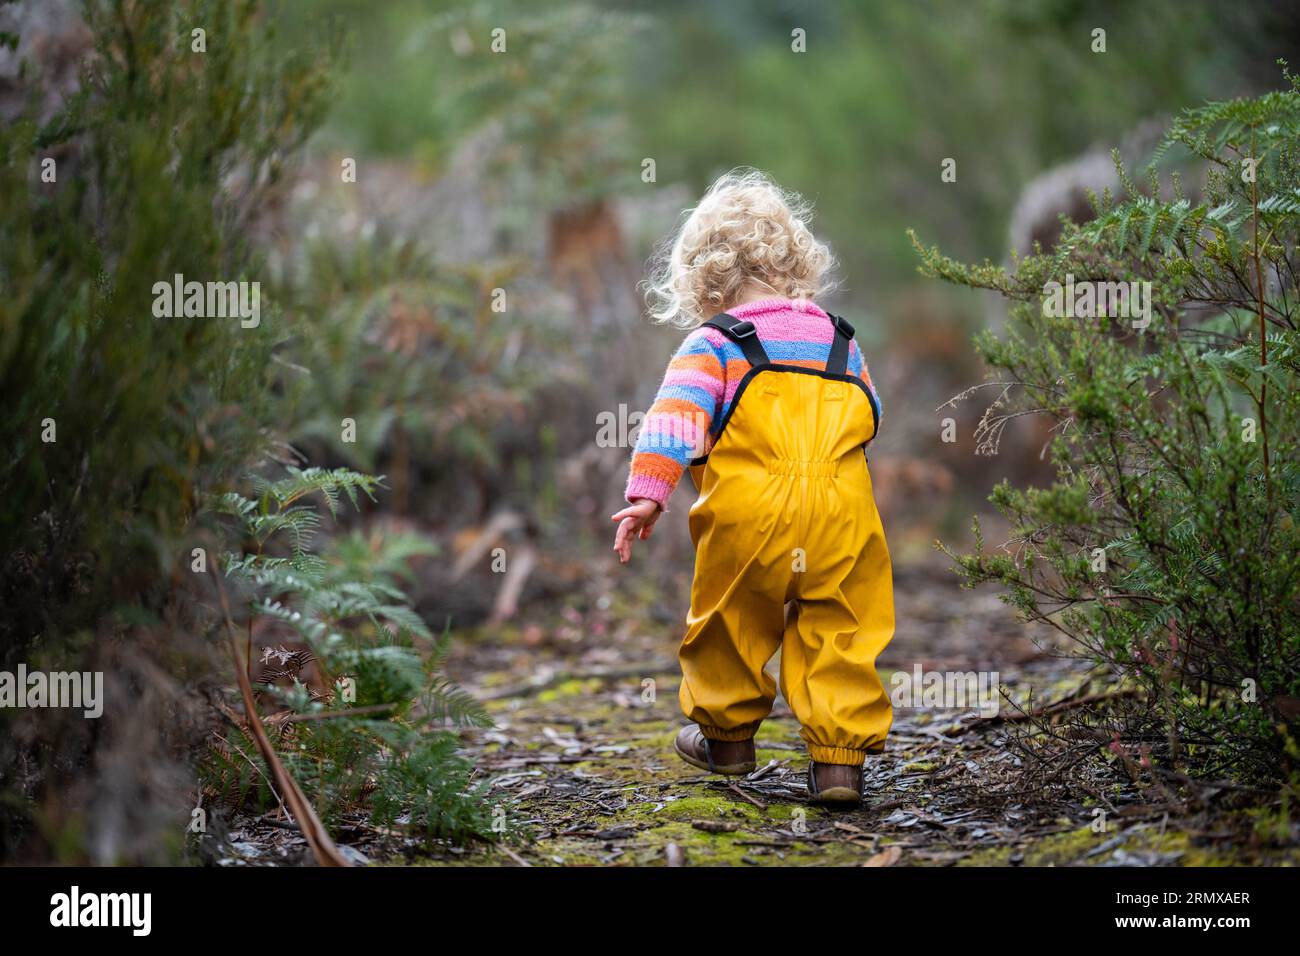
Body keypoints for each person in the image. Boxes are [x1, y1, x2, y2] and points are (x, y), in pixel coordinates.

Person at [611, 169, 895, 806]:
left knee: (731, 617)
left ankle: (728, 740)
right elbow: (871, 414)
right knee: (842, 626)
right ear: (795, 261)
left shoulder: (714, 343)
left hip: (750, 518)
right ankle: (839, 765)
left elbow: (672, 421)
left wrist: (649, 493)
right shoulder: (840, 340)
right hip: (841, 515)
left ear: (702, 277)